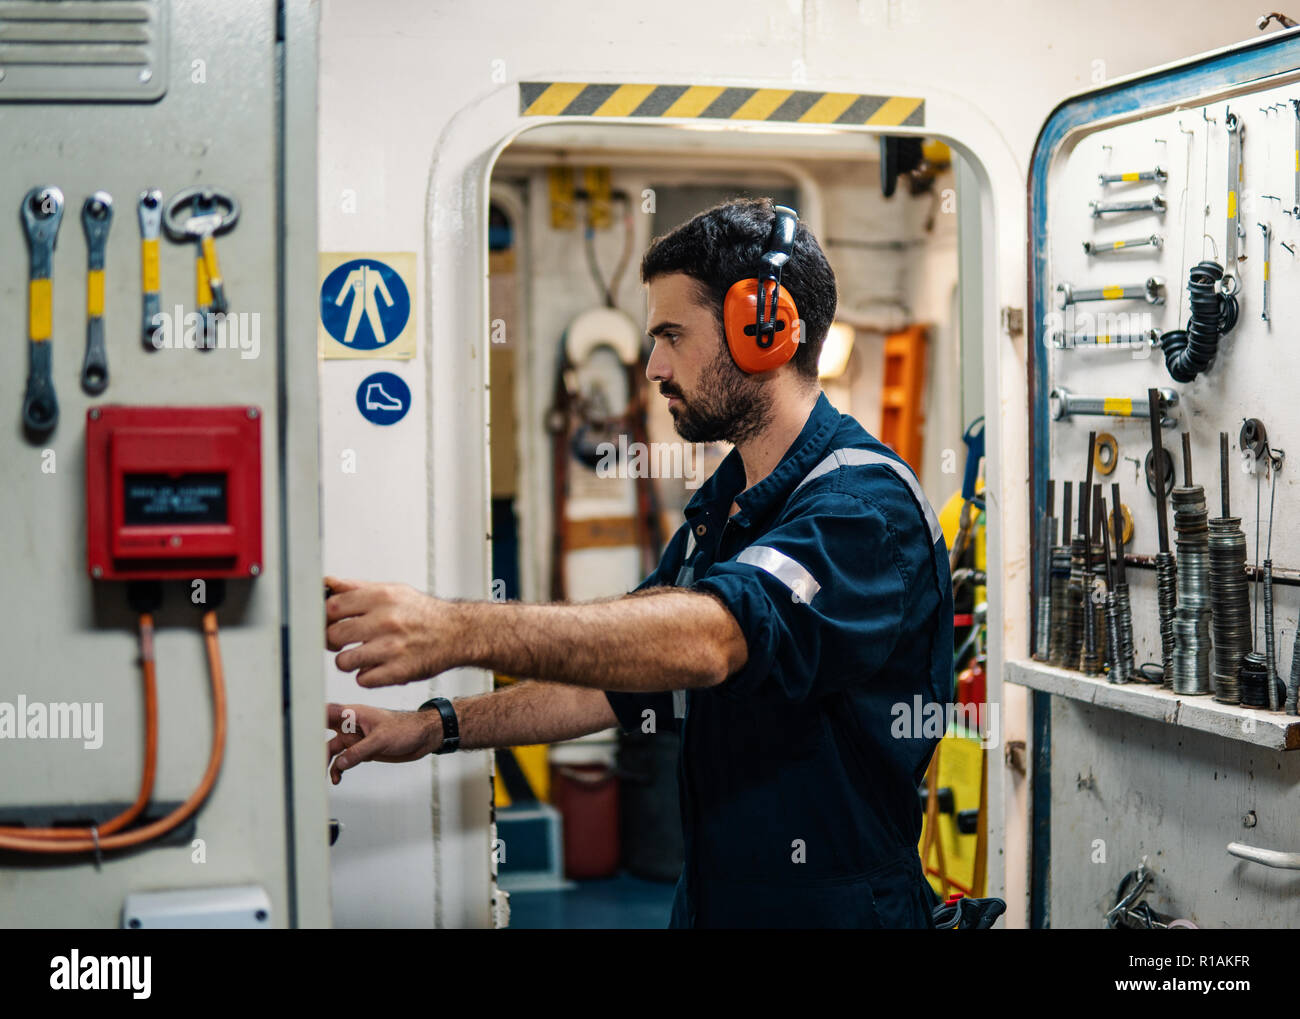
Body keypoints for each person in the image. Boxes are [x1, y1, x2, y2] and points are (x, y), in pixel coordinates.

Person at [324, 197, 953, 928]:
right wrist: (434, 725)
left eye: (671, 335)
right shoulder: (724, 507)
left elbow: (712, 638)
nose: (652, 365)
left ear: (765, 330)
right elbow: (622, 685)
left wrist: (453, 629)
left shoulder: (862, 509)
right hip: (718, 900)